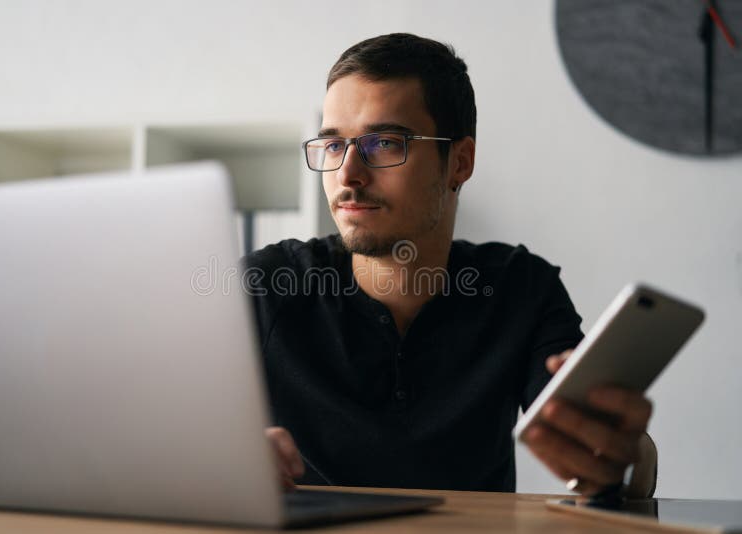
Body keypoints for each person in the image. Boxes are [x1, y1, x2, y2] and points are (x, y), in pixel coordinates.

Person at [246, 33, 657, 497]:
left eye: (384, 142)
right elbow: (162, 428)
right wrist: (224, 456)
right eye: (333, 145)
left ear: (459, 162)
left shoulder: (521, 288)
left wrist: (624, 453)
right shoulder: (267, 286)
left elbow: (598, 446)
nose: (348, 175)